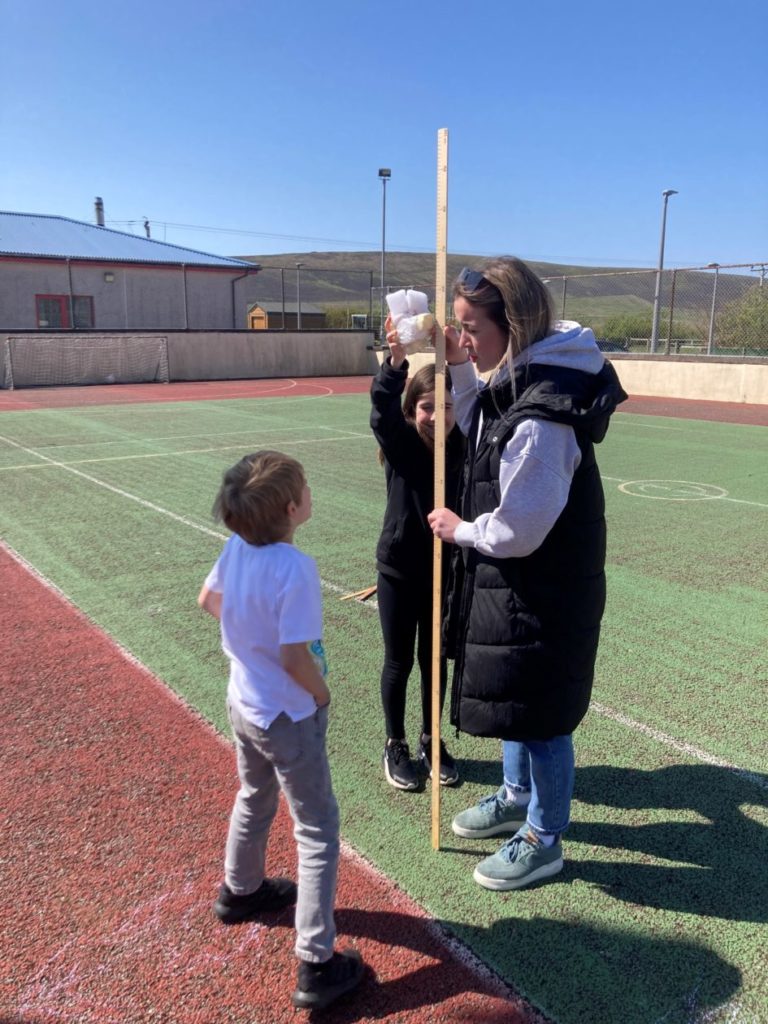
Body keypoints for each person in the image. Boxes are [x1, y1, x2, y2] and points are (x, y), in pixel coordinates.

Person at [428, 258, 627, 891]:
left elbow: (518, 531)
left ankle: (544, 838)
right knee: (517, 698)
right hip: (518, 585)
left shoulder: (543, 418)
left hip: (543, 588)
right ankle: (515, 796)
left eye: (470, 331)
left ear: (511, 325)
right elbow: (476, 415)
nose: (464, 342)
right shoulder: (519, 376)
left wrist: (460, 530)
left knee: (541, 716)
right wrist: (454, 362)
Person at [198, 450, 363, 1010]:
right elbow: (295, 655)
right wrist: (320, 694)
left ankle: (239, 889)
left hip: (244, 703)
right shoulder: (294, 569)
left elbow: (208, 601)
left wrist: (249, 644)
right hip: (289, 715)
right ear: (292, 508)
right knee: (317, 830)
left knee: (253, 795)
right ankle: (317, 961)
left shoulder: (235, 548)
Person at [370, 326, 465, 790]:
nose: (437, 416)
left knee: (435, 659)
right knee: (399, 662)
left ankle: (432, 738)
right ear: (413, 410)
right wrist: (395, 362)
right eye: (428, 407)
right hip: (399, 570)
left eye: (446, 407)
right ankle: (396, 743)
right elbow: (380, 416)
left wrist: (457, 357)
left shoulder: (461, 448)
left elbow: (482, 412)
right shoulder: (402, 443)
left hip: (442, 571)